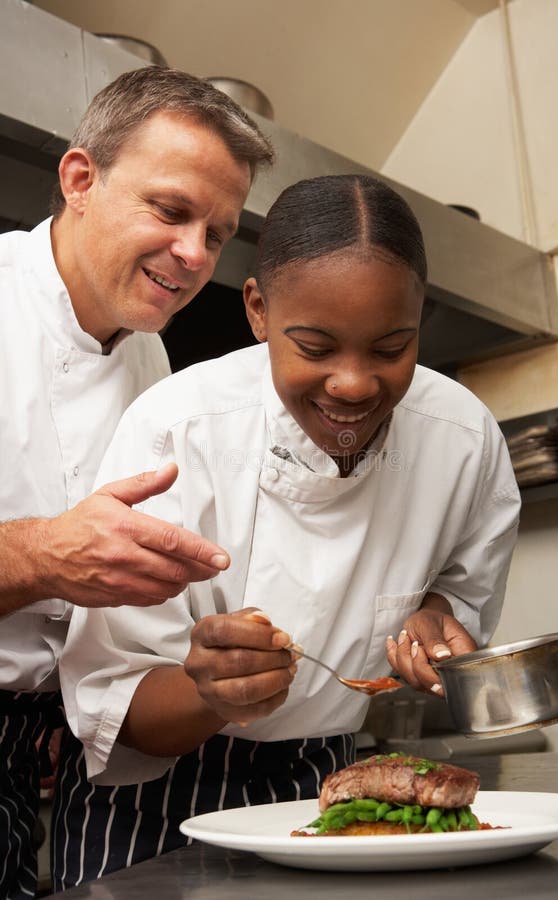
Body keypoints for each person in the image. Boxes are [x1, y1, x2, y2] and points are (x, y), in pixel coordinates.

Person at [57, 173, 520, 889]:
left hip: (330, 777)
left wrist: (438, 618)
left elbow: (458, 592)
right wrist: (210, 690)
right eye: (315, 346)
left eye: (391, 346)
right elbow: (121, 716)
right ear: (258, 311)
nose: (354, 384)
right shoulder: (176, 430)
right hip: (153, 796)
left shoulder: (462, 438)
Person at [0, 65, 273, 900]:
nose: (194, 255)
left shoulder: (150, 355)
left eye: (218, 233)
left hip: (34, 749)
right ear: (80, 180)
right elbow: (55, 562)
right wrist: (42, 556)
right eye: (170, 210)